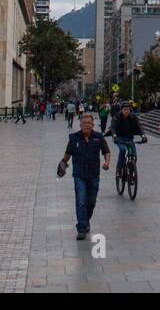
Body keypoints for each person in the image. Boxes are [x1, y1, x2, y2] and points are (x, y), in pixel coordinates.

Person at [58, 113, 110, 241]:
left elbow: (106, 151)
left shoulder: (98, 137)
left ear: (92, 125)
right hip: (79, 175)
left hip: (94, 175)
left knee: (91, 202)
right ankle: (81, 228)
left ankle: (86, 220)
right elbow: (67, 155)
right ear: (80, 125)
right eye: (84, 123)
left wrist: (107, 163)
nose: (86, 125)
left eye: (89, 123)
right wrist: (61, 167)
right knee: (81, 201)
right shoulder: (74, 138)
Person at [109, 102, 143, 175]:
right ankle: (119, 170)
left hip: (129, 138)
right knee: (122, 150)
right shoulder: (117, 116)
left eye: (128, 109)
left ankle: (131, 171)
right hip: (119, 138)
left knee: (134, 155)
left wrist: (143, 136)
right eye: (124, 109)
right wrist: (114, 136)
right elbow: (113, 126)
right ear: (121, 110)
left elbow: (139, 126)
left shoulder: (133, 116)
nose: (126, 111)